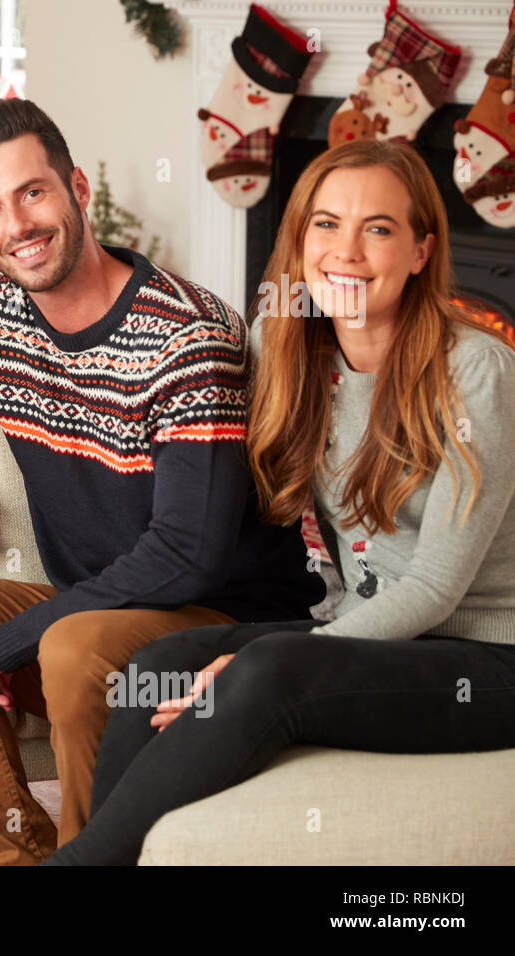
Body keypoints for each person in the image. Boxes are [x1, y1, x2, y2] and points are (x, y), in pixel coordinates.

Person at [47, 139, 515, 866]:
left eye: (379, 229)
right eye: (326, 224)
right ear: (299, 239)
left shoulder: (475, 372)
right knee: (158, 664)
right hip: (365, 627)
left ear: (422, 251)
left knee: (266, 670)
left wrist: (279, 652)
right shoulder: (288, 344)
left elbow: (433, 589)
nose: (347, 252)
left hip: (487, 658)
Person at [0, 98, 322, 865]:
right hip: (96, 596)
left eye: (32, 193)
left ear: (76, 189)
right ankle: (17, 853)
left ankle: (98, 854)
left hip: (216, 615)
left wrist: (13, 638)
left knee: (74, 645)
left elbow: (190, 554)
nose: (16, 224)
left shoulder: (186, 334)